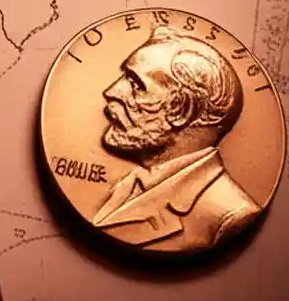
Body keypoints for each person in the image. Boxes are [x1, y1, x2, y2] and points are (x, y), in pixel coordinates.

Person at [93, 26, 260, 252]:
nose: (111, 91)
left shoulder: (229, 217)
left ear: (181, 110)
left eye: (135, 84)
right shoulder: (128, 185)